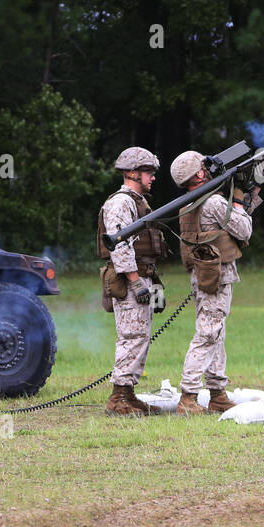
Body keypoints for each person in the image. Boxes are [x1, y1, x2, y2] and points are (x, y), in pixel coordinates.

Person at [168, 150, 262, 415]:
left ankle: (218, 394)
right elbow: (244, 230)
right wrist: (240, 202)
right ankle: (188, 397)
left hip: (203, 275)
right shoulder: (212, 202)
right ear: (199, 174)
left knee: (215, 333)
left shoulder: (189, 203)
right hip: (216, 276)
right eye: (204, 167)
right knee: (208, 334)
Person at [97, 147, 168, 416]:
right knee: (131, 336)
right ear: (131, 172)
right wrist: (136, 281)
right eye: (148, 172)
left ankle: (128, 394)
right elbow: (119, 244)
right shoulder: (121, 203)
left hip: (142, 276)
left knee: (140, 336)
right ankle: (119, 398)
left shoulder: (137, 201)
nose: (153, 178)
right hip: (129, 280)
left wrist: (152, 284)